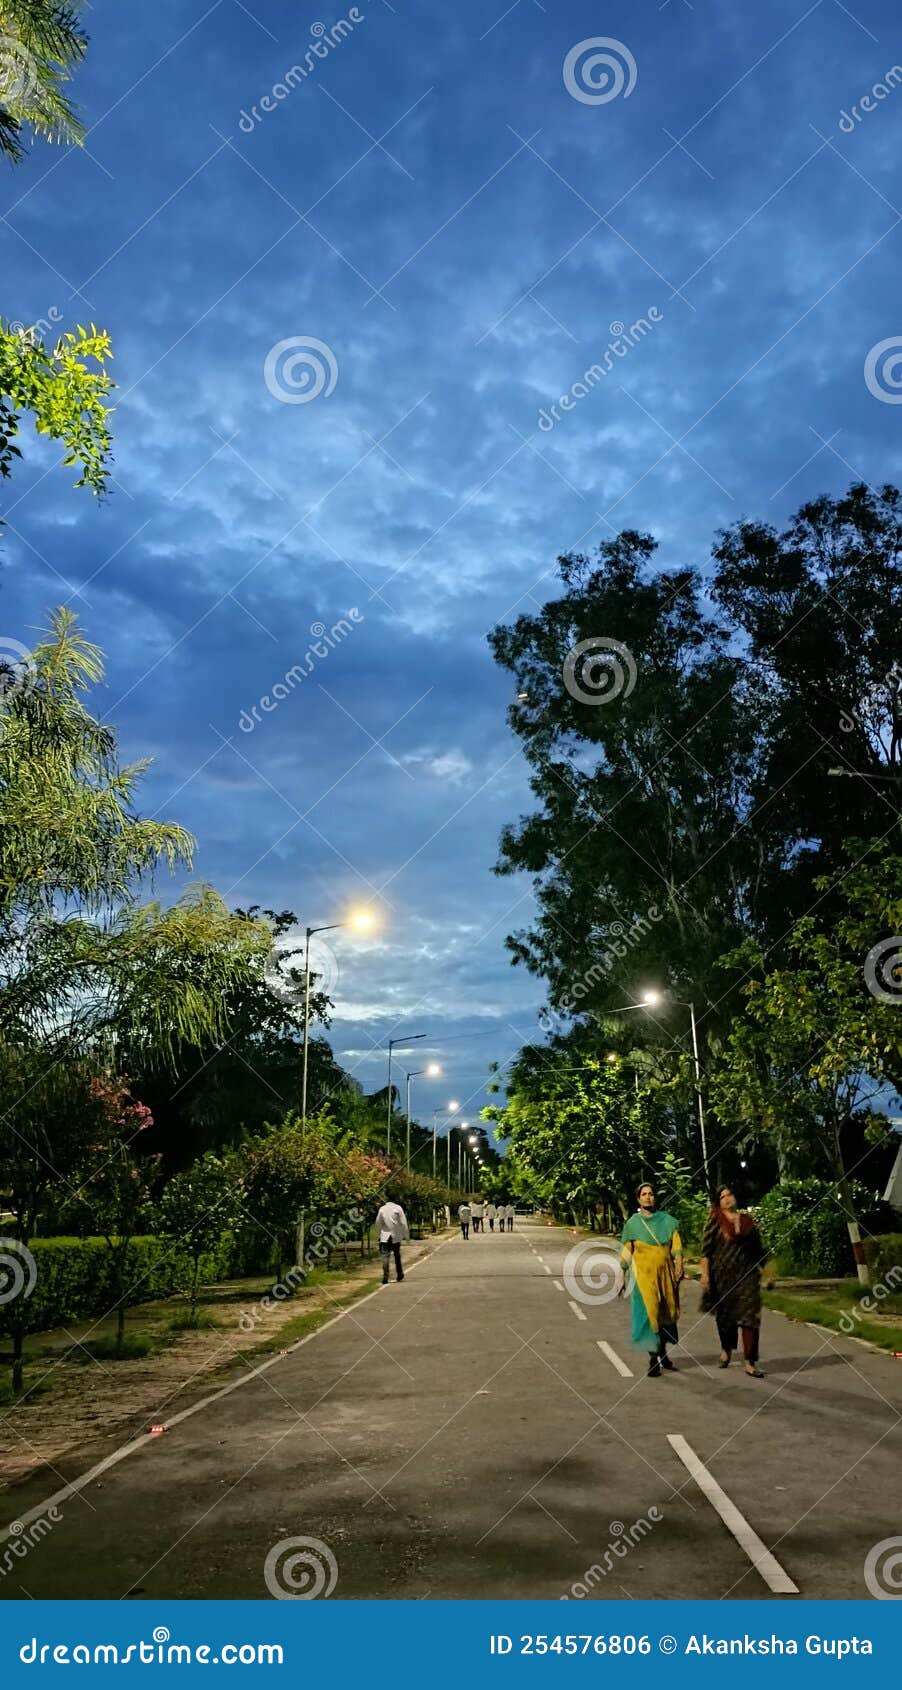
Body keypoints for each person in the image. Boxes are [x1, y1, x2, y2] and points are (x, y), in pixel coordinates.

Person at [700, 1187, 767, 1377]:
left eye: (730, 1194)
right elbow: (706, 1250)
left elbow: (758, 1250)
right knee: (726, 1317)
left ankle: (750, 1361)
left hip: (748, 1276)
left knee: (750, 1319)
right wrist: (705, 1275)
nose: (727, 1199)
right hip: (722, 1277)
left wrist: (768, 1271)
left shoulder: (747, 1221)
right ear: (718, 1202)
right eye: (723, 1197)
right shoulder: (715, 1219)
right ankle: (726, 1350)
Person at [619, 1182, 683, 1377]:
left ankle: (662, 1353)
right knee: (650, 1316)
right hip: (643, 1280)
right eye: (644, 1194)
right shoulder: (632, 1224)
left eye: (651, 1194)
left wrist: (679, 1264)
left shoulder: (668, 1221)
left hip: (665, 1277)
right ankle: (653, 1360)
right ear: (638, 1199)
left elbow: (676, 1246)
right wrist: (620, 1276)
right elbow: (626, 1252)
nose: (648, 1197)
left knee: (665, 1316)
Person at [374, 1192, 409, 1284]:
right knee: (397, 1256)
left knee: (385, 1256)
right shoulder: (398, 1208)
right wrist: (406, 1236)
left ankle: (385, 1276)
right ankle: (399, 1274)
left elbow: (377, 1223)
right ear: (395, 1199)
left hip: (385, 1236)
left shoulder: (382, 1209)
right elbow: (403, 1223)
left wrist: (378, 1235)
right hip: (396, 1236)